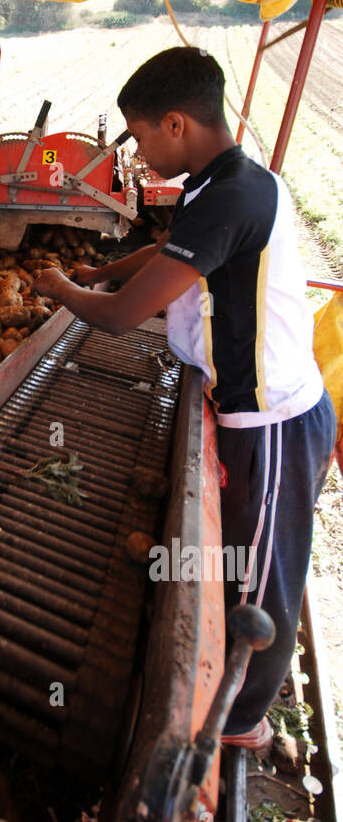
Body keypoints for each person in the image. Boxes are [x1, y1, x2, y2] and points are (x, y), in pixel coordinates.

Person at [32, 47, 336, 751]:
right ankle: (235, 691)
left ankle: (240, 722)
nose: (136, 152)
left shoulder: (232, 194)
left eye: (137, 136)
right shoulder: (219, 181)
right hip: (248, 409)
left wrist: (66, 291)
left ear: (175, 123)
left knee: (261, 572)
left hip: (274, 421)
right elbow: (173, 249)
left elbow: (114, 318)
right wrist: (103, 268)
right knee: (241, 555)